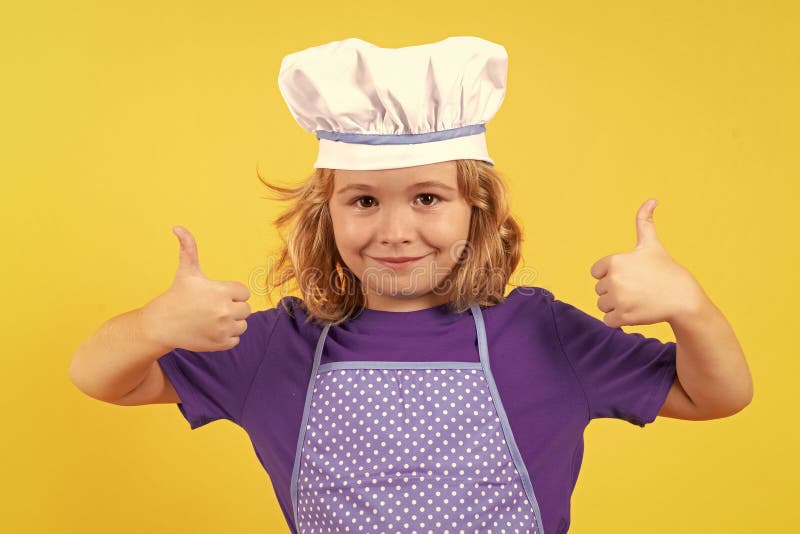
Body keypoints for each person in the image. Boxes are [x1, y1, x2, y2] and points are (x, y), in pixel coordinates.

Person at [69, 36, 753, 534]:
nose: (395, 231)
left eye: (427, 198)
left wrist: (689, 308)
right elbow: (100, 376)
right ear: (325, 216)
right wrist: (153, 326)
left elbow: (716, 394)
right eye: (363, 201)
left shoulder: (543, 334)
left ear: (476, 210)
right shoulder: (278, 345)